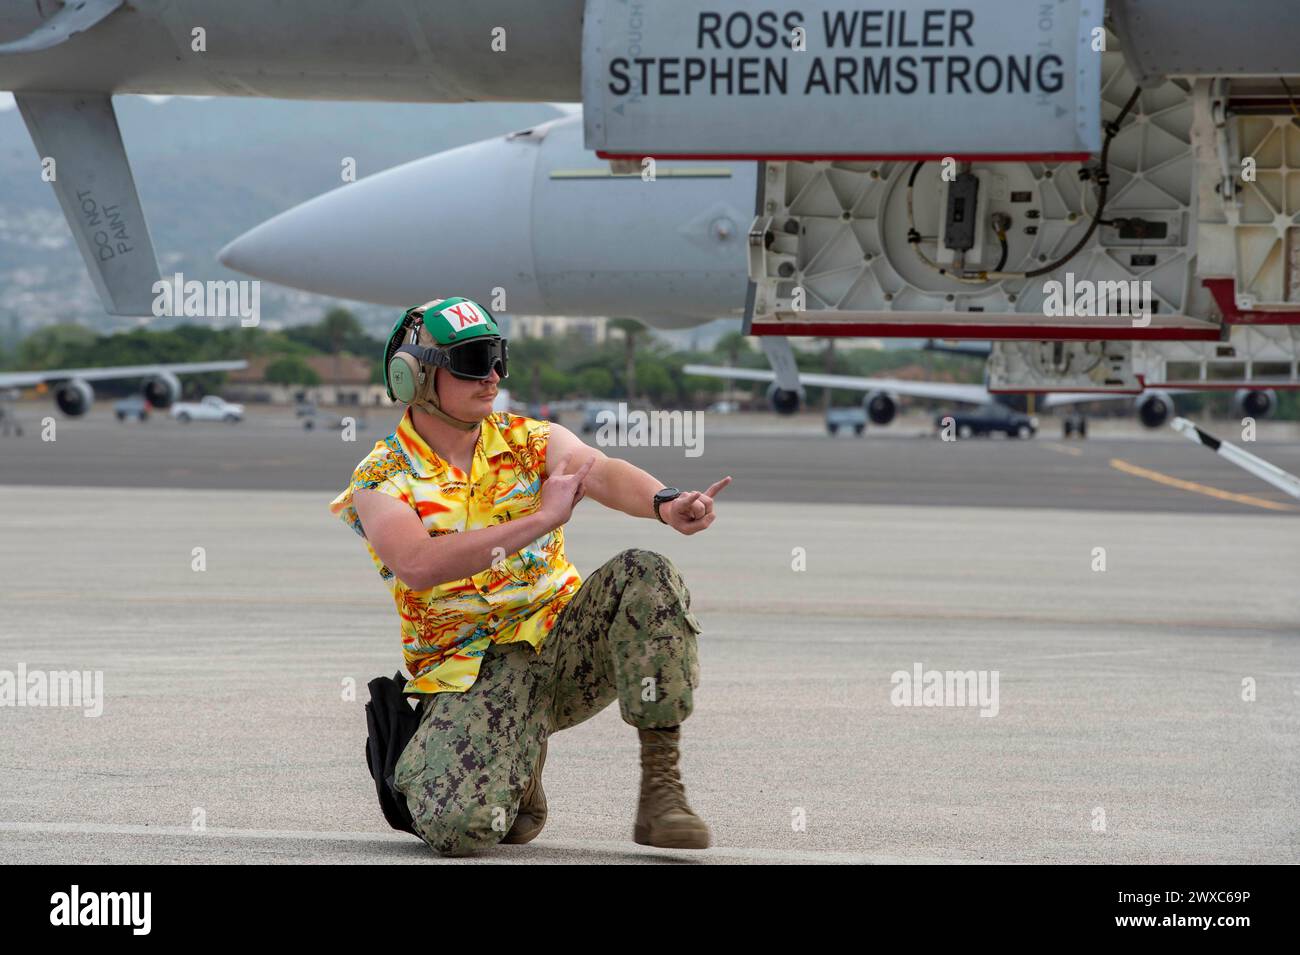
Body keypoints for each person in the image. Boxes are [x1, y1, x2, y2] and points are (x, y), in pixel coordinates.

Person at [329, 296, 731, 856]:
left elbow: (599, 470)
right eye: (472, 360)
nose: (492, 376)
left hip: (563, 643)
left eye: (498, 357)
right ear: (414, 375)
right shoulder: (381, 476)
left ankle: (662, 787)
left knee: (645, 572)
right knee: (459, 831)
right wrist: (540, 519)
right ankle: (512, 767)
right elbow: (417, 565)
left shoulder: (526, 439)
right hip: (469, 670)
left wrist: (664, 503)